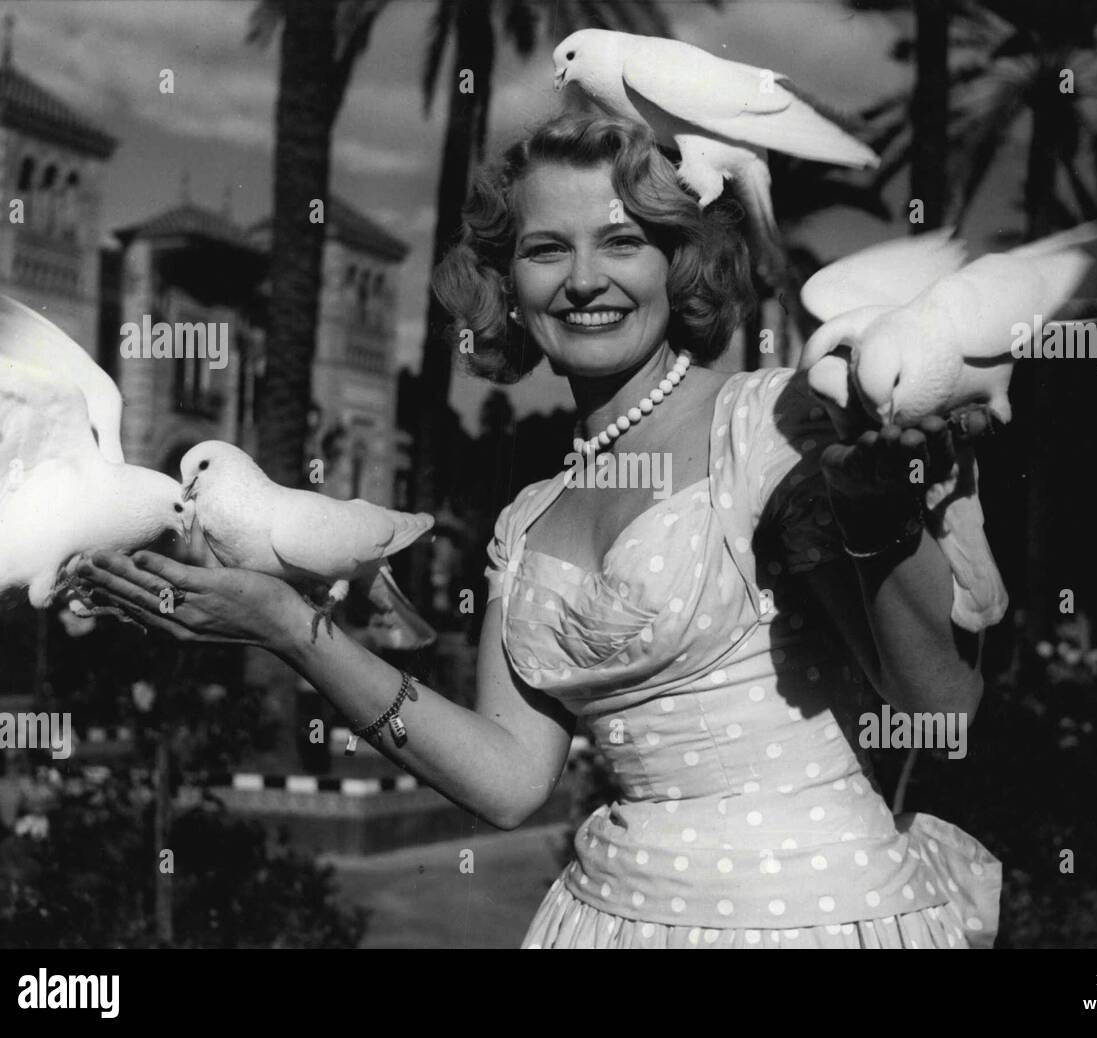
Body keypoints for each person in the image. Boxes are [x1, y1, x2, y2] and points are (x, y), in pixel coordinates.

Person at [78, 113, 1000, 949]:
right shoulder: (530, 517)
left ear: (676, 264)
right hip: (609, 922)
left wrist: (878, 516)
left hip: (815, 919)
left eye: (623, 242)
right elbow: (510, 781)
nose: (585, 279)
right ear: (505, 286)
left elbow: (940, 714)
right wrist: (290, 627)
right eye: (547, 249)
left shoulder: (776, 424)